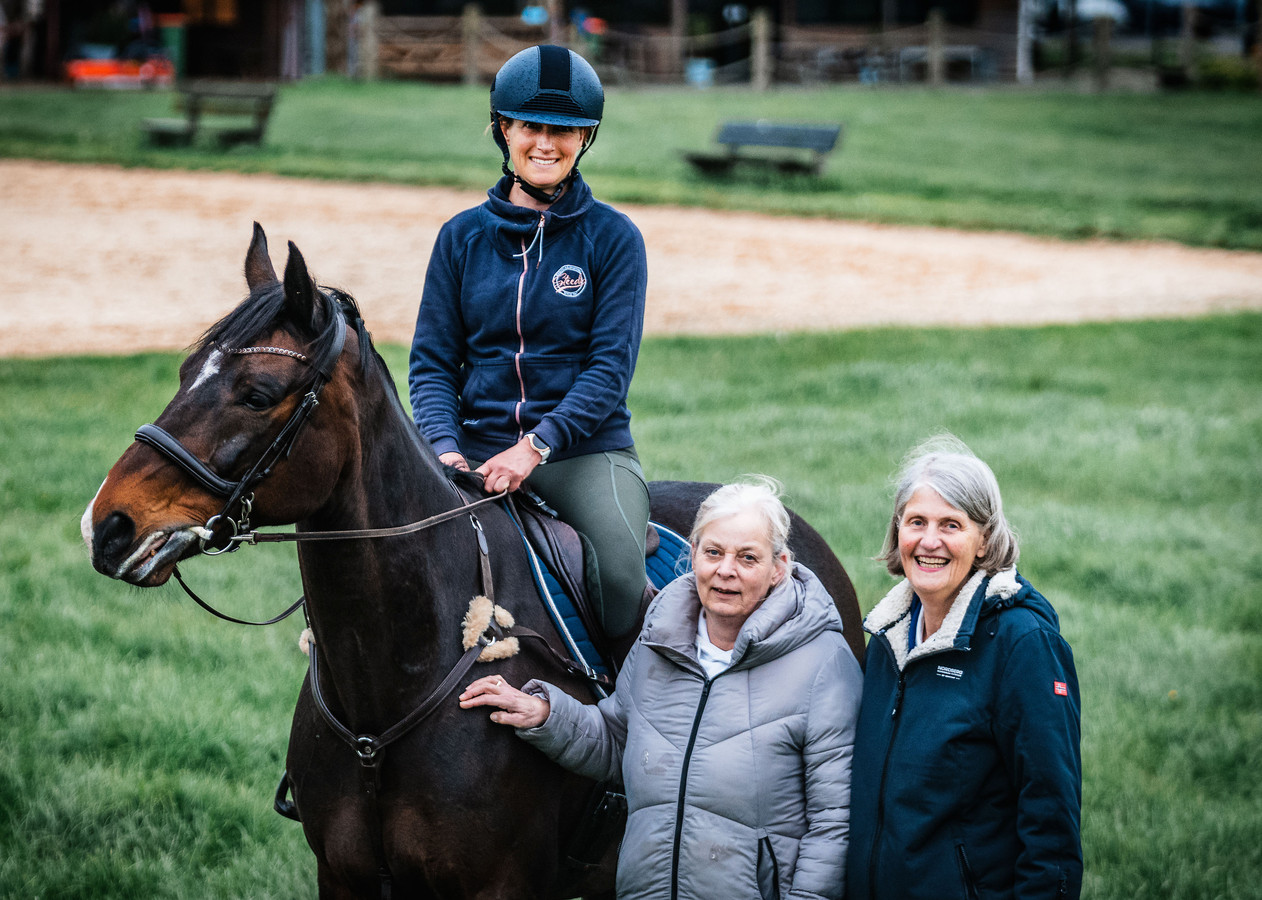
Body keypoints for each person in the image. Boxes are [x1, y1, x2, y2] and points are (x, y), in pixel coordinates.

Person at [460, 478, 863, 900]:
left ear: (779, 566)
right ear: (693, 556)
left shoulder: (822, 663)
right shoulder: (661, 640)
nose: (726, 570)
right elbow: (621, 743)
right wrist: (544, 713)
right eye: (713, 552)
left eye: (748, 557)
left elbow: (835, 822)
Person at [408, 44, 650, 647]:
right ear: (503, 130)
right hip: (471, 446)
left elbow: (608, 371)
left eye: (564, 130)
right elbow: (434, 363)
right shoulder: (459, 238)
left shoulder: (614, 239)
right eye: (531, 127)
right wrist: (443, 448)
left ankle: (620, 706)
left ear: (586, 137)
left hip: (581, 453)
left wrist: (534, 448)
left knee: (621, 573)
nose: (546, 143)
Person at [845, 436, 1082, 900]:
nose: (929, 541)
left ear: (985, 541)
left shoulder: (1023, 645)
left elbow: (1051, 822)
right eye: (916, 522)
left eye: (951, 525)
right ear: (898, 533)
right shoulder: (886, 639)